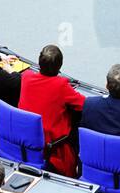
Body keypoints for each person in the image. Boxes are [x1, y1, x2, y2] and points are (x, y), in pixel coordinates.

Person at [17, 43, 85, 176]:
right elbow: (83, 104)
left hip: (23, 143)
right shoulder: (61, 85)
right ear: (59, 66)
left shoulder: (26, 76)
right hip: (51, 150)